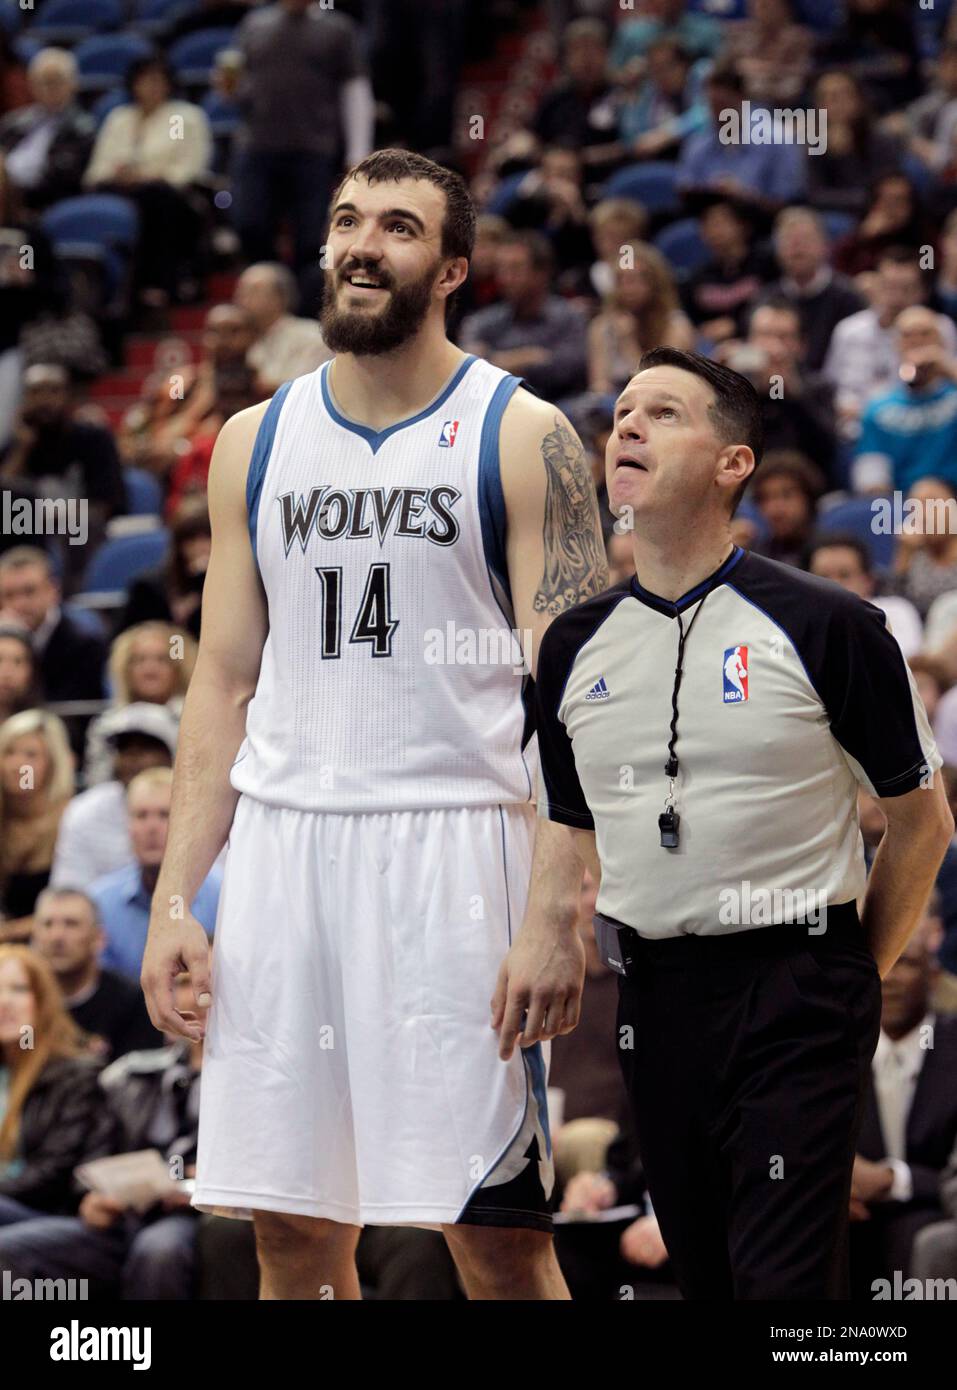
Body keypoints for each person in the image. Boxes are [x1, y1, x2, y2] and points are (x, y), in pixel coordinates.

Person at [141, 147, 608, 1301]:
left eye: (397, 227)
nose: (360, 244)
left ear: (453, 267)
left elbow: (582, 691)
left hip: (462, 845)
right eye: (347, 220)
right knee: (291, 1237)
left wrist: (559, 899)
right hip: (286, 850)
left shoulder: (521, 431)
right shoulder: (254, 440)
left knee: (495, 1237)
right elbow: (221, 685)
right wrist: (175, 900)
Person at [505, 346, 952, 1299]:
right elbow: (565, 816)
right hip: (656, 992)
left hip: (800, 984)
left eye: (661, 413)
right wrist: (545, 930)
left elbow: (921, 825)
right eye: (621, 412)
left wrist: (846, 977)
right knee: (706, 1276)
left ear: (732, 462)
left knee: (779, 1284)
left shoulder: (830, 624)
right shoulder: (572, 645)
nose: (626, 426)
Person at [0, 969, 201, 1299]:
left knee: (159, 1250)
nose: (194, 997)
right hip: (121, 1213)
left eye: (207, 984)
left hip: (186, 1215)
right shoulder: (132, 1073)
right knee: (8, 1249)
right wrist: (92, 1195)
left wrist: (200, 1183)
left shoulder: (74, 1074)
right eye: (182, 984)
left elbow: (52, 1171)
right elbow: (95, 1157)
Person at [850, 920, 957, 1297]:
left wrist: (890, 1180)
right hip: (849, 1221)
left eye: (907, 963)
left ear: (933, 972)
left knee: (918, 1235)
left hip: (935, 1215)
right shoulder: (837, 1056)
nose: (891, 978)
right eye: (882, 964)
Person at [229, 0, 374, 277]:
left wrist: (357, 151)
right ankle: (268, 292)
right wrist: (230, 91)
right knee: (250, 225)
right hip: (257, 146)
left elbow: (354, 88)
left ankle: (303, 305)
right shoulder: (254, 25)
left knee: (310, 239)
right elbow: (241, 83)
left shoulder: (337, 29)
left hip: (313, 149)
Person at [83, 55, 212, 308]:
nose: (151, 86)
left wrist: (149, 174)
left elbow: (189, 167)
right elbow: (98, 168)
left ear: (168, 84)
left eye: (157, 80)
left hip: (169, 196)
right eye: (145, 80)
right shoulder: (119, 118)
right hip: (120, 190)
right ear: (133, 84)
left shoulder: (181, 117)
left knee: (155, 196)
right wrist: (118, 175)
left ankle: (157, 284)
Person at [0, 946, 108, 1225]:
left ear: (43, 1001)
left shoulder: (75, 1075)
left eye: (19, 989)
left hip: (47, 1212)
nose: (4, 1001)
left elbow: (53, 1174)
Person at [92, 767, 220, 982]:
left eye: (164, 814)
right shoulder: (99, 902)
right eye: (141, 815)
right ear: (128, 825)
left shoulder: (223, 896)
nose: (151, 827)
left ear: (187, 823)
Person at [823, 247, 957, 436]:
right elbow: (830, 388)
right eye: (889, 287)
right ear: (876, 285)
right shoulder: (849, 330)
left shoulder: (937, 328)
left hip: (922, 428)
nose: (896, 298)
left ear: (922, 292)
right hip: (853, 432)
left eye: (905, 289)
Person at [50, 703, 177, 891]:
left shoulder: (203, 809)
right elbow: (69, 894)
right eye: (124, 748)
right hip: (104, 917)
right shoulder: (84, 811)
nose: (134, 757)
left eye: (147, 748)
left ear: (171, 753)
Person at [31, 887, 161, 1061]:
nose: (57, 936)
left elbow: (139, 1077)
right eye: (47, 924)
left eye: (71, 924)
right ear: (34, 937)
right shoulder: (23, 999)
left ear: (99, 938)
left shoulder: (132, 1001)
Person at [459, 230, 589, 401]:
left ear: (541, 273)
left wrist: (493, 360)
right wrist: (528, 357)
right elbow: (468, 368)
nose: (505, 278)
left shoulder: (568, 318)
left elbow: (568, 369)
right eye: (501, 269)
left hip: (558, 409)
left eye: (515, 269)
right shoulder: (483, 321)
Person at [853, 307, 957, 493]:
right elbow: (871, 477)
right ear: (896, 344)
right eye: (907, 335)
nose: (917, 342)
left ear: (941, 341)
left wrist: (947, 367)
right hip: (902, 507)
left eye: (926, 334)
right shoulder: (879, 407)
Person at [757, 207, 866, 373]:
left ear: (825, 246)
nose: (797, 248)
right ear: (777, 249)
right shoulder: (765, 298)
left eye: (805, 239)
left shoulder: (848, 297)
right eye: (789, 240)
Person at [0, 709, 74, 943]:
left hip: (55, 943)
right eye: (9, 753)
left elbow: (80, 902)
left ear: (53, 763)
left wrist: (9, 933)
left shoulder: (72, 819)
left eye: (31, 755)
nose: (18, 765)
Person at [587, 241, 693, 396]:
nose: (627, 289)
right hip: (615, 403)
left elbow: (663, 386)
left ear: (654, 283)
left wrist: (628, 342)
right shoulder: (602, 326)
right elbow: (598, 384)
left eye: (634, 280)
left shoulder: (676, 325)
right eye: (620, 281)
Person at [0, 48, 94, 211]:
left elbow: (64, 178)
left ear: (73, 84)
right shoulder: (12, 123)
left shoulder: (83, 128)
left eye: (56, 81)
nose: (48, 88)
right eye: (42, 82)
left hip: (40, 202)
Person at [807, 534, 923, 660]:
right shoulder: (800, 620)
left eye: (844, 575)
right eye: (823, 576)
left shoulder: (896, 610)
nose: (834, 584)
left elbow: (905, 665)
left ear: (868, 580)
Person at [233, 263, 330, 396]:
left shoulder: (311, 336)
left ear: (280, 297)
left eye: (253, 291)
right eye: (240, 291)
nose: (241, 298)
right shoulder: (244, 341)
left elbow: (303, 391)